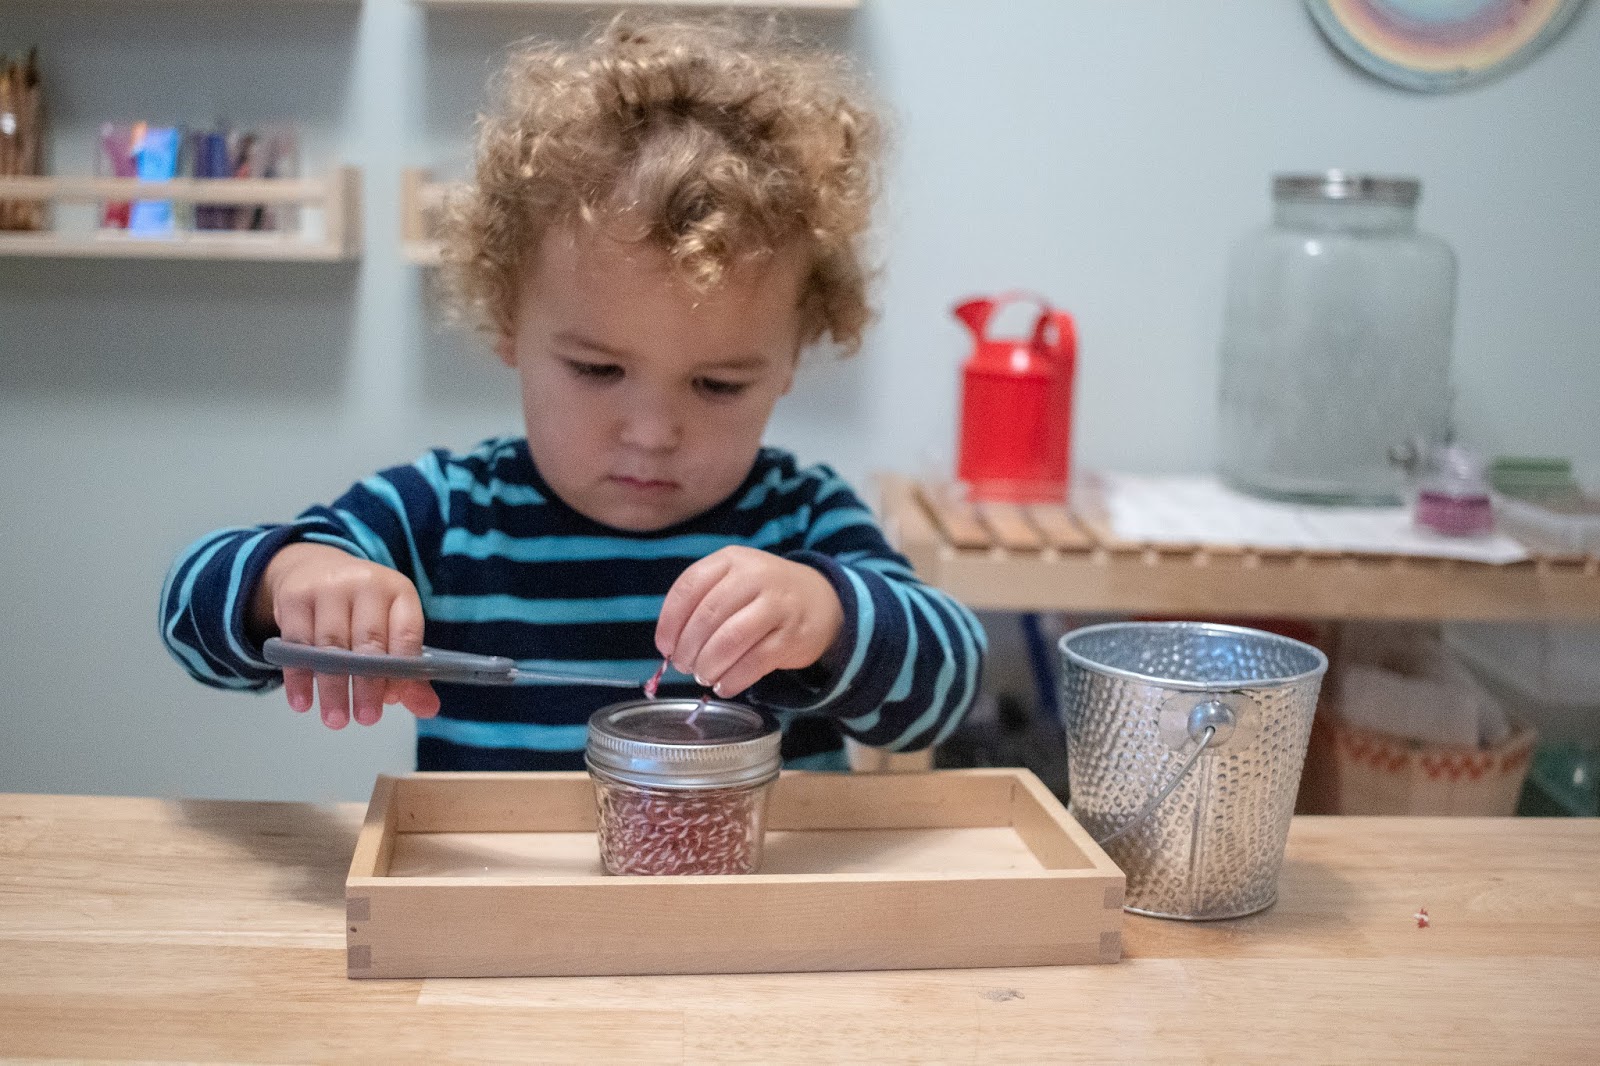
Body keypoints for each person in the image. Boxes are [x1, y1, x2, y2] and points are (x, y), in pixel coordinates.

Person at [159, 16, 985, 772]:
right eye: (597, 370)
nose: (654, 431)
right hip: (511, 924)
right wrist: (289, 580)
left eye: (720, 383)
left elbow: (946, 690)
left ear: (791, 361)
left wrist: (831, 616)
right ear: (508, 322)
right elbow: (188, 616)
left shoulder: (800, 521)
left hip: (752, 928)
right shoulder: (447, 516)